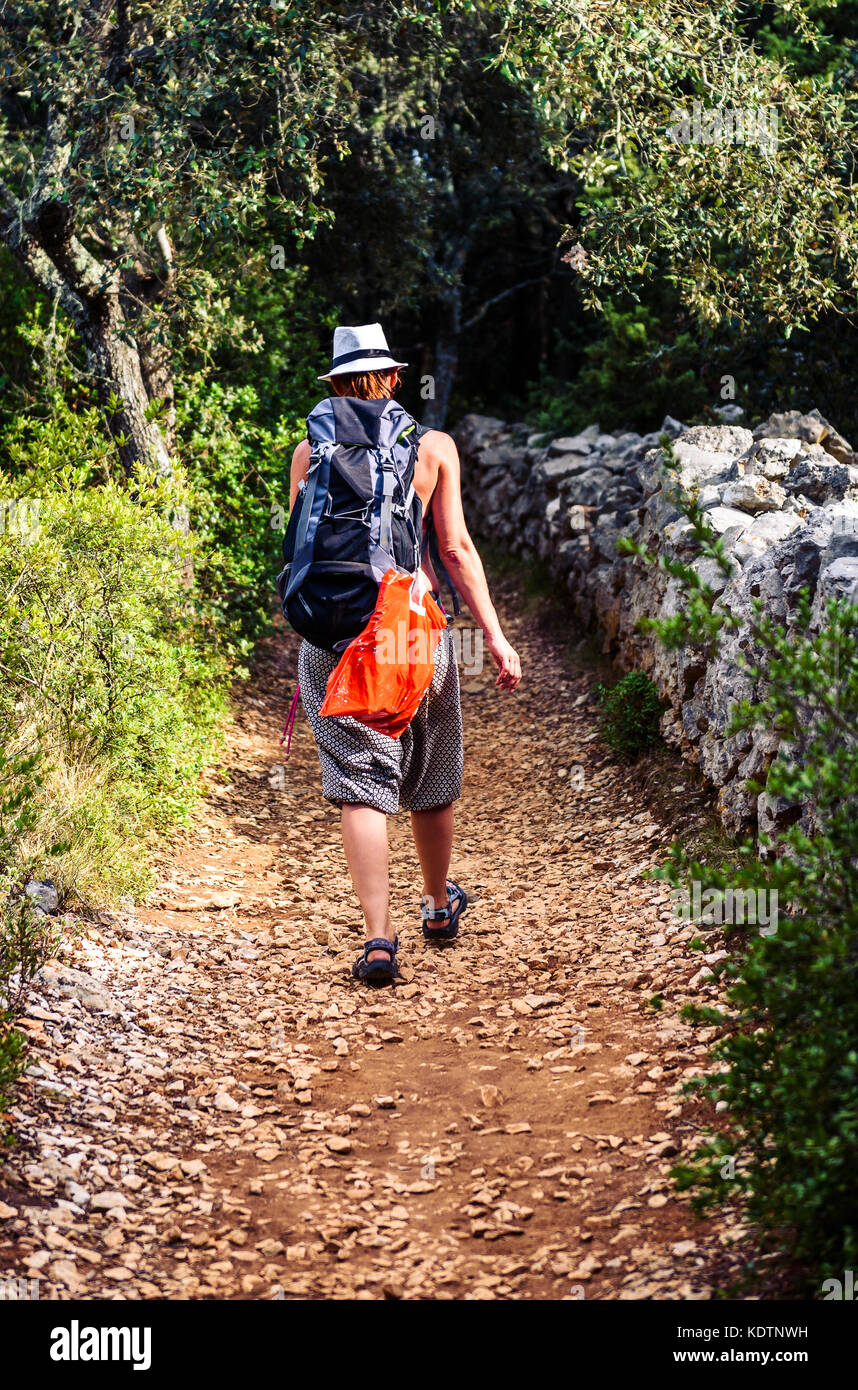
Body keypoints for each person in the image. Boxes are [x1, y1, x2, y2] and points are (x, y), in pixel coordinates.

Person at [290, 323, 522, 982]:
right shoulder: (434, 448)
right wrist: (497, 639)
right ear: (393, 379)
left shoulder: (307, 454)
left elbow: (303, 557)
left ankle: (378, 940)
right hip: (410, 630)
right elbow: (454, 551)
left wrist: (313, 630)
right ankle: (437, 904)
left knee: (360, 786)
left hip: (334, 637)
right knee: (431, 770)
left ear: (333, 384)